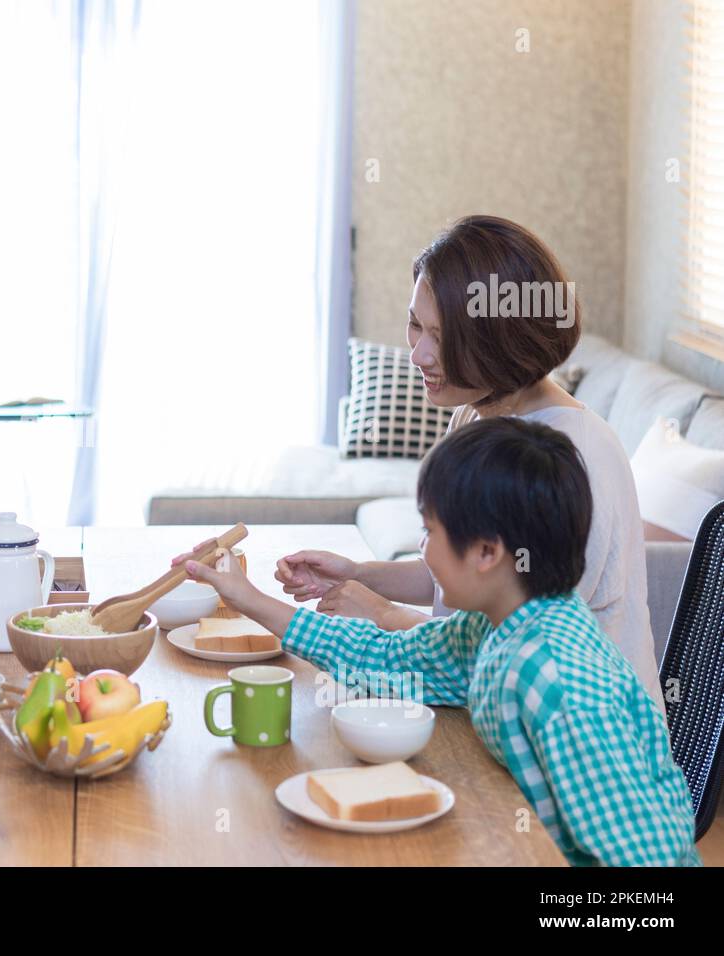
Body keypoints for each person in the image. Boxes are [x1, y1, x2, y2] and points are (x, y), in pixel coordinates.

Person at [188, 418, 699, 867]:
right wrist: (247, 596)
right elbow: (381, 656)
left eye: (429, 532)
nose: (423, 550)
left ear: (486, 552)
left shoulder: (556, 678)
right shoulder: (497, 628)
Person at [278, 215, 662, 707]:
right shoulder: (476, 414)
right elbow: (457, 576)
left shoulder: (572, 459)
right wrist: (358, 575)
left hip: (582, 741)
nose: (418, 354)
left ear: (500, 339)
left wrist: (381, 613)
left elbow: (501, 652)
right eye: (415, 324)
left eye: (441, 336)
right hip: (490, 714)